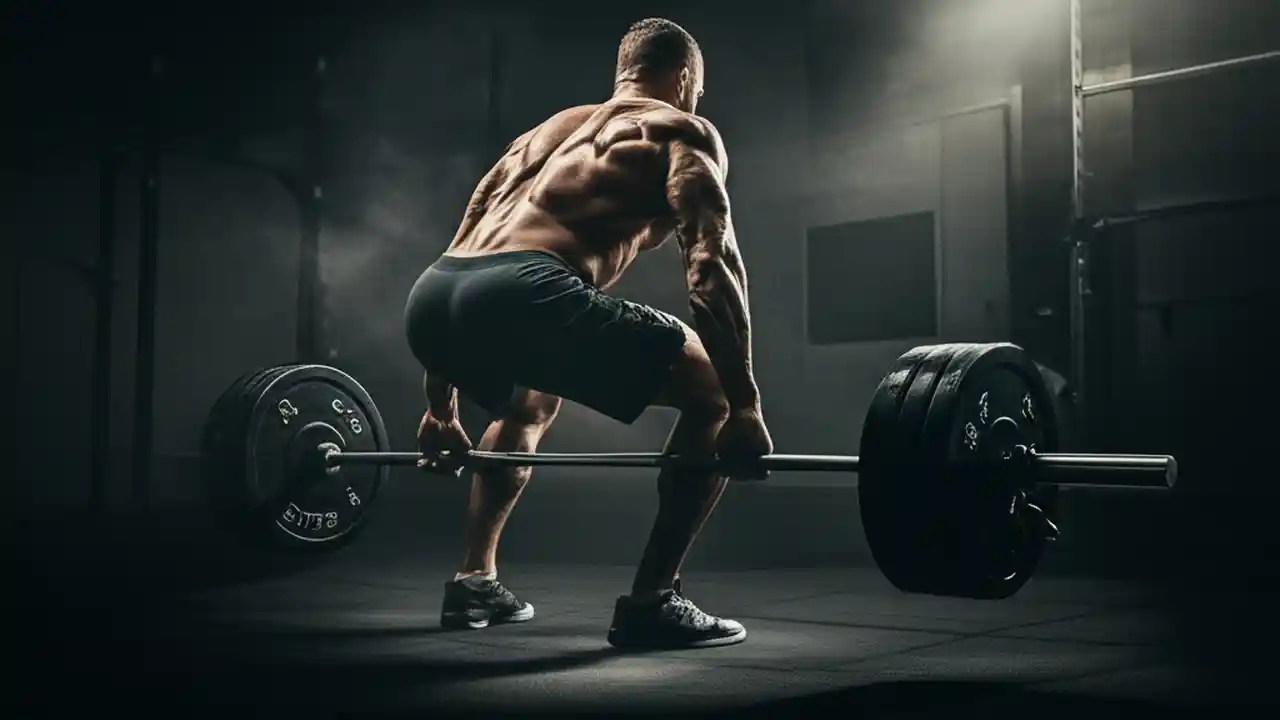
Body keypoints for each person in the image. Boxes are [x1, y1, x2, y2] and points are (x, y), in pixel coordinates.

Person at [403, 17, 772, 650]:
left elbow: (469, 250)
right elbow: (712, 267)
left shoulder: (546, 133)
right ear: (684, 79)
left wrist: (440, 406)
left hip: (436, 292)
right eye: (697, 90)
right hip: (525, 289)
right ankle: (654, 600)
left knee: (531, 397)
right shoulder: (682, 129)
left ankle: (473, 582)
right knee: (708, 386)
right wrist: (743, 403)